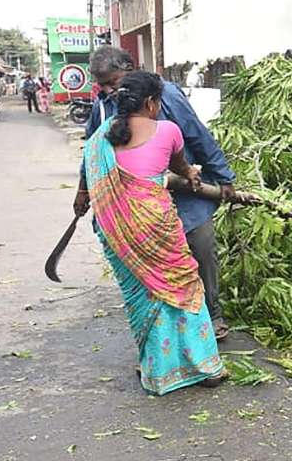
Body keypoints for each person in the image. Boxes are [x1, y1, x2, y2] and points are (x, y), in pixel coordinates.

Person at [73, 46, 236, 341]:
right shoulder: (101, 106)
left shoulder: (165, 96)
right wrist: (83, 189)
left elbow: (197, 135)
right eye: (103, 84)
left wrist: (223, 177)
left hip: (184, 196)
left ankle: (211, 314)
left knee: (200, 250)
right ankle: (163, 327)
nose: (110, 89)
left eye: (113, 81)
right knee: (149, 266)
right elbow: (92, 153)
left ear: (130, 69)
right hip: (132, 203)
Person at [83, 71, 226, 393]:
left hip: (119, 230)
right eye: (159, 102)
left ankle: (157, 369)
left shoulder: (99, 139)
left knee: (144, 297)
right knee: (185, 287)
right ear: (150, 102)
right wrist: (191, 174)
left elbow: (86, 176)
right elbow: (178, 164)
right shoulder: (168, 130)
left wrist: (81, 199)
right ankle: (207, 367)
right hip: (156, 226)